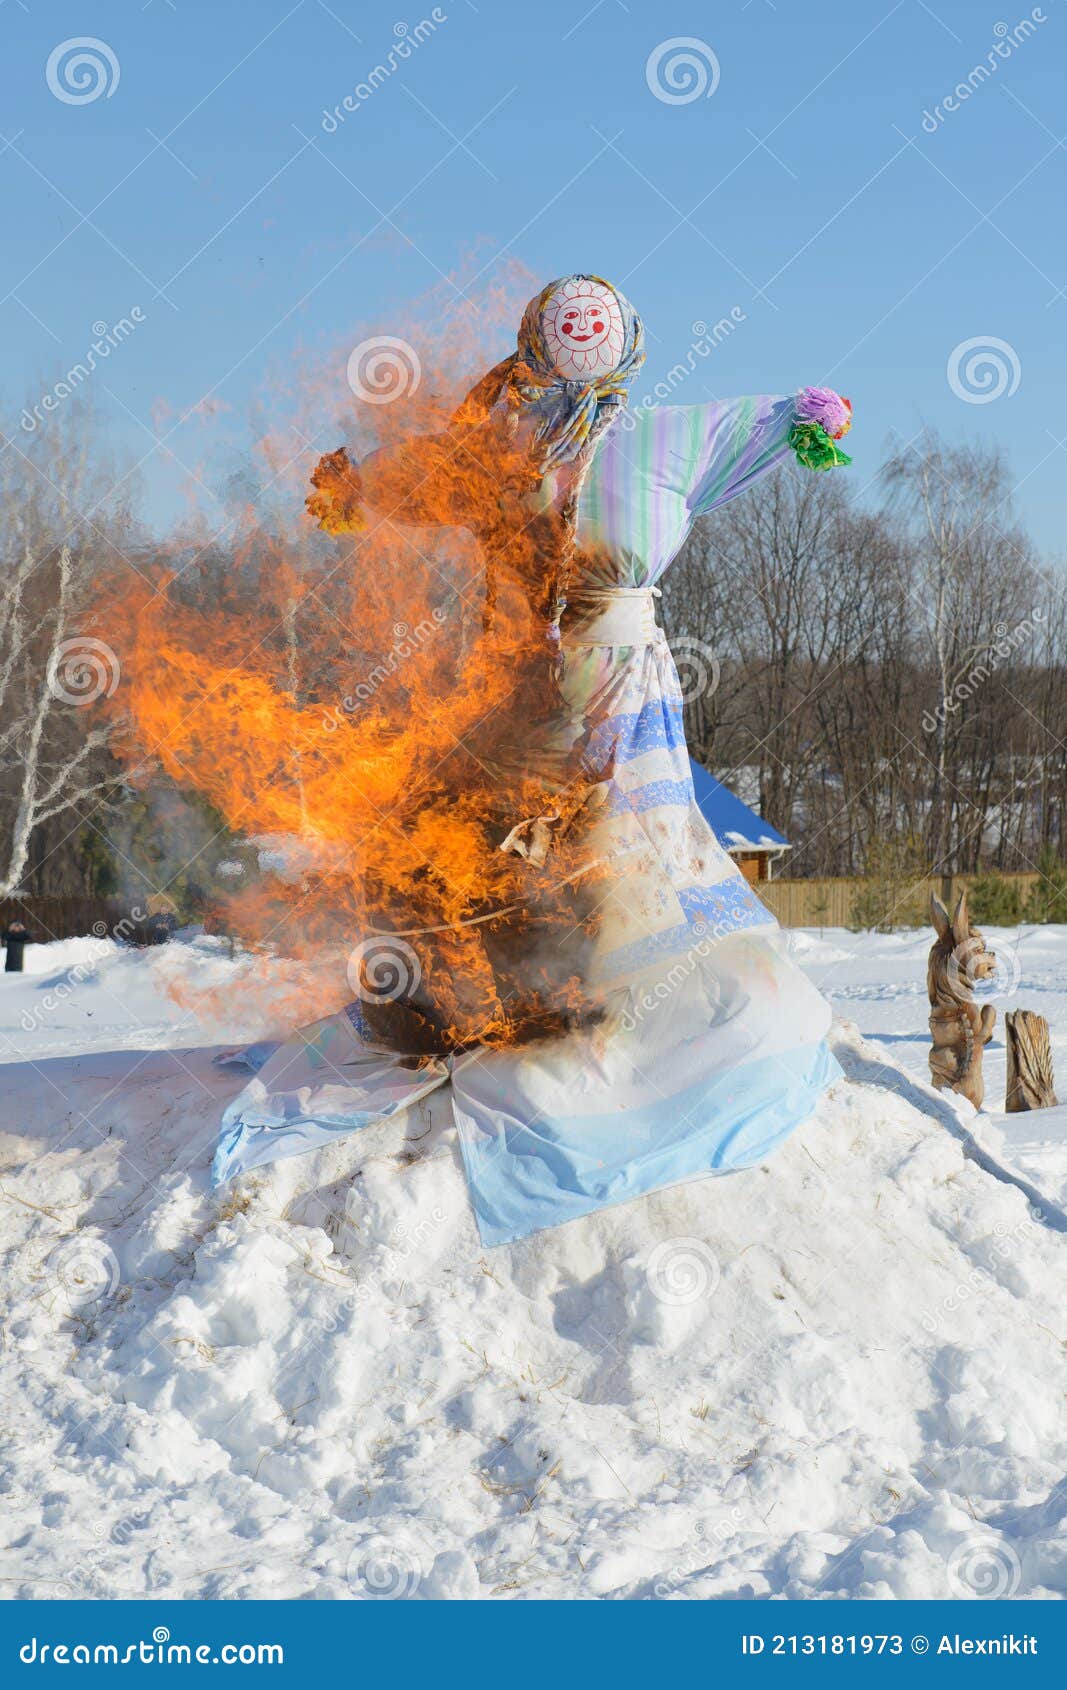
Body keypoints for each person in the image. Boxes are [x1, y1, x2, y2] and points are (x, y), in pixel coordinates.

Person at [215, 274, 855, 1246]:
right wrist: (358, 485)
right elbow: (422, 472)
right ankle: (495, 996)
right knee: (496, 841)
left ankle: (634, 1011)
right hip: (509, 684)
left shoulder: (664, 439)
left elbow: (760, 421)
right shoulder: (503, 453)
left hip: (619, 685)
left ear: (625, 346)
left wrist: (809, 414)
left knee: (627, 846)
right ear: (533, 347)